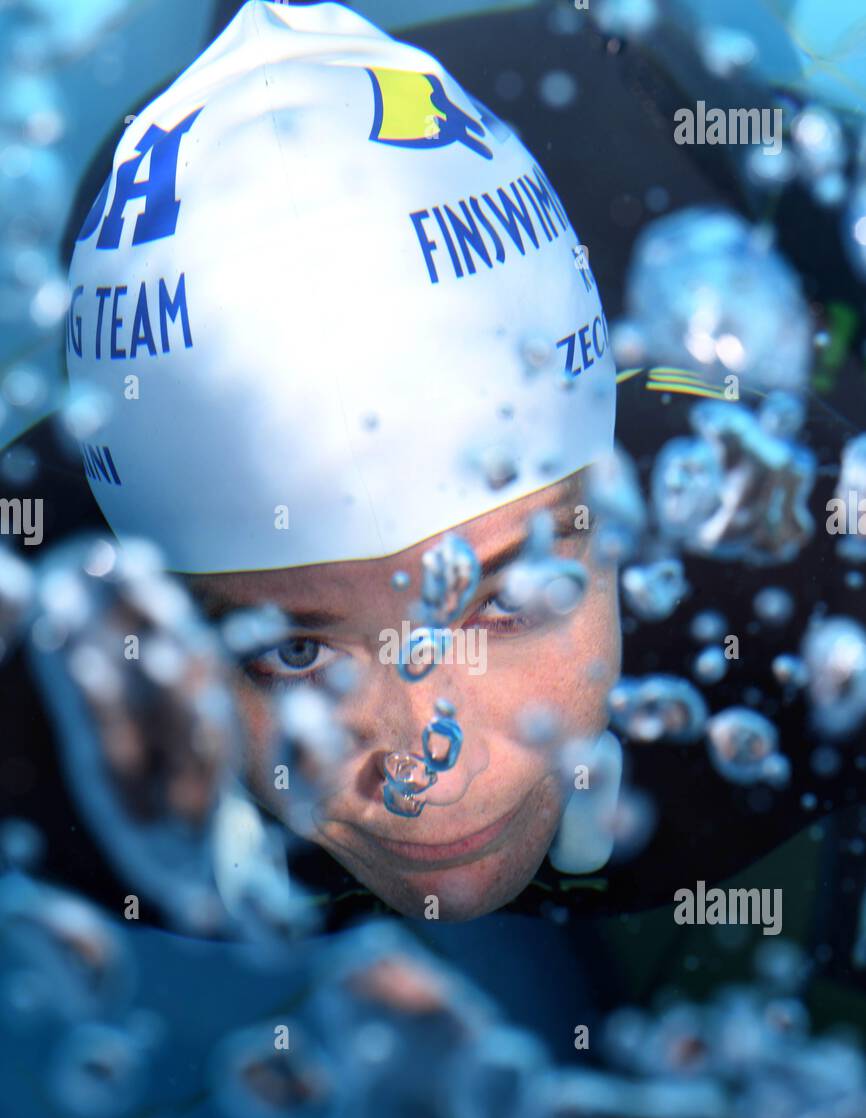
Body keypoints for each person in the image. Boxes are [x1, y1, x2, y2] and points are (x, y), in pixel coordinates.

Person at [65, 0, 620, 921]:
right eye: (293, 651)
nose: (427, 775)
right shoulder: (58, 743)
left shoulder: (804, 589)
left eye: (510, 599)